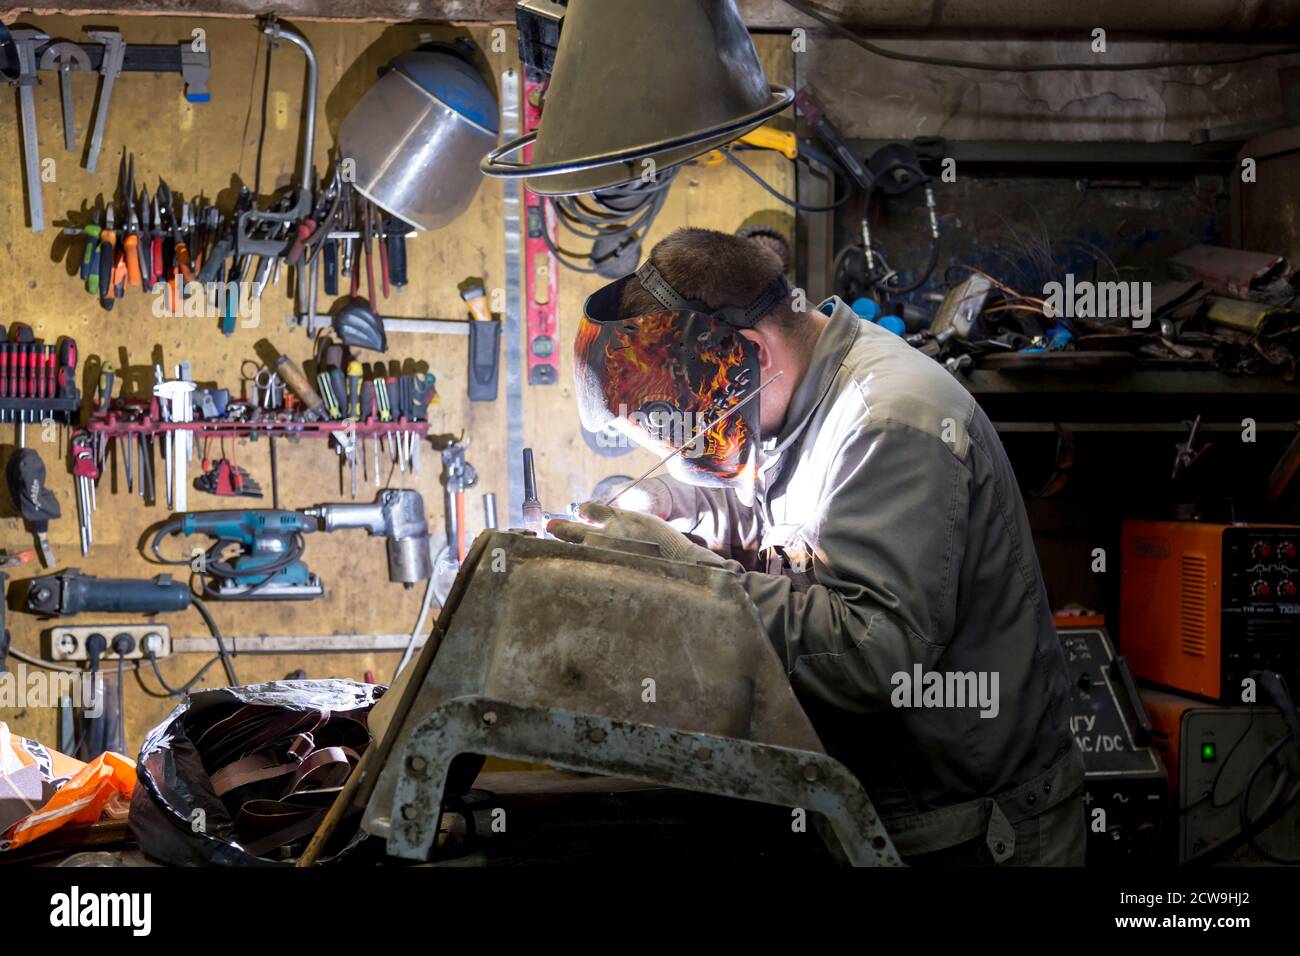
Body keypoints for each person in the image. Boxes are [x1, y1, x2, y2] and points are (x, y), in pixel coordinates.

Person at [549, 227, 1086, 865]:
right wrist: (664, 506)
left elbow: (874, 651)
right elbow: (777, 514)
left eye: (680, 431)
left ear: (747, 352)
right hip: (890, 805)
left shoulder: (891, 422)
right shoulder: (798, 398)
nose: (677, 452)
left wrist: (682, 575)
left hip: (969, 832)